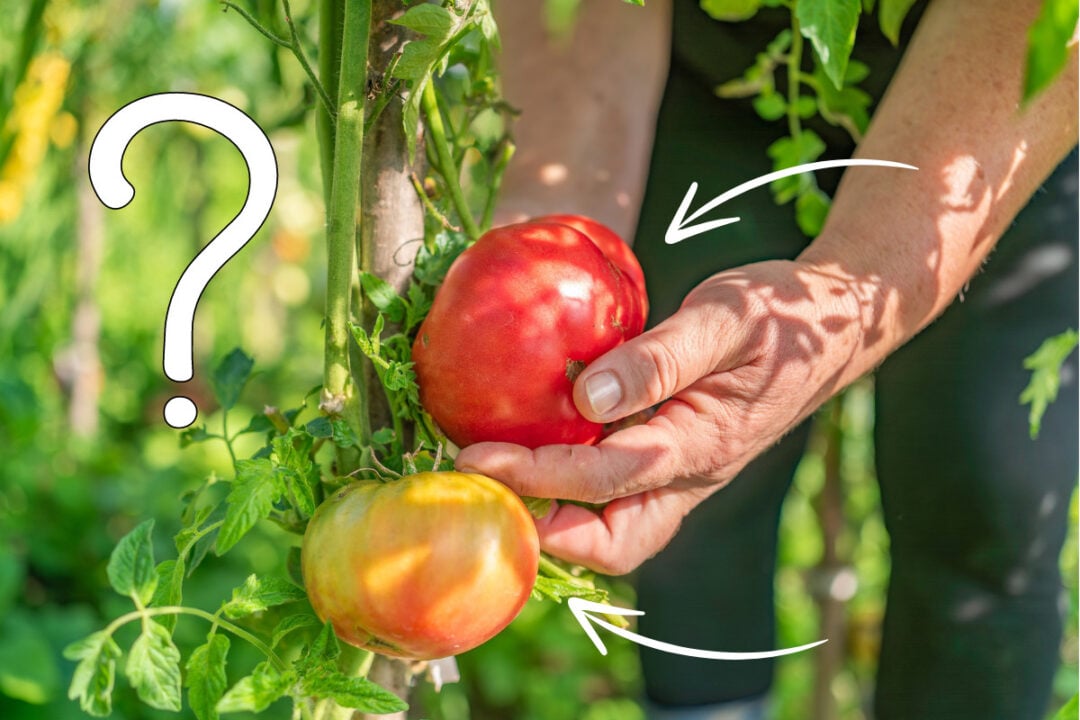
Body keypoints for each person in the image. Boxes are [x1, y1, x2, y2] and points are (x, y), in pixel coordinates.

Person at [455, 1, 1079, 718]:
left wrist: (849, 291)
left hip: (1007, 97)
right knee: (672, 470)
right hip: (716, 83)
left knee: (986, 497)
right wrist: (539, 264)